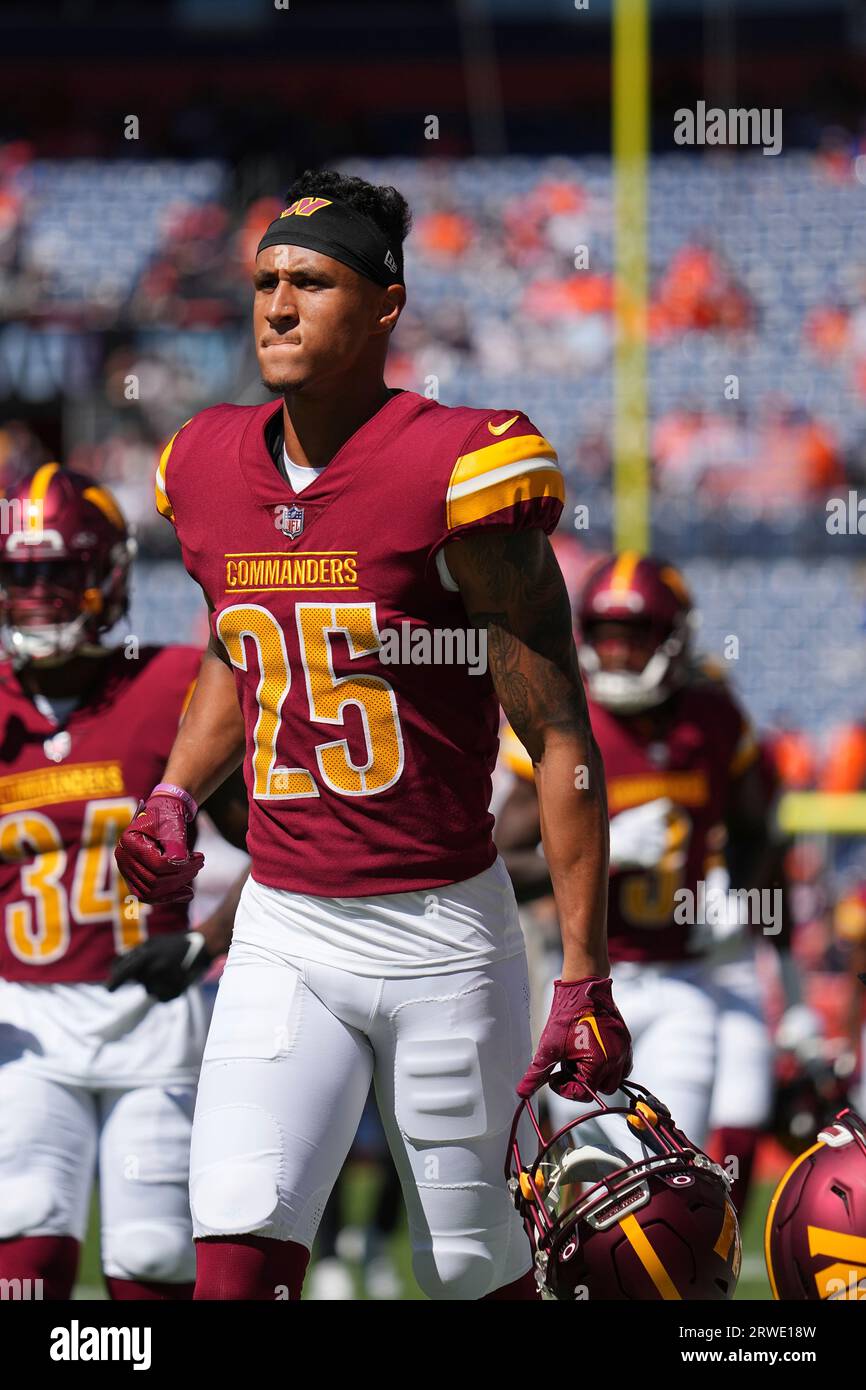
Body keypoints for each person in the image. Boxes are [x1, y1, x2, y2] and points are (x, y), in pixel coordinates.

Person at [115, 169, 631, 1303]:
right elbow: (235, 648)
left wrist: (584, 972)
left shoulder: (458, 464)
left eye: (311, 280)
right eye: (263, 282)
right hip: (285, 930)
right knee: (234, 1261)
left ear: (384, 306)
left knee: (471, 1275)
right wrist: (171, 791)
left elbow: (556, 733)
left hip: (443, 932)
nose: (276, 306)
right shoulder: (202, 462)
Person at [0, 464, 245, 1300]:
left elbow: (292, 846)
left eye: (57, 572)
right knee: (23, 1242)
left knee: (152, 1256)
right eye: (19, 574)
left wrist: (204, 944)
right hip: (22, 1023)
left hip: (157, 1018)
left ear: (105, 576)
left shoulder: (171, 683)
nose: (35, 595)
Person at [497, 552, 770, 1150]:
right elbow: (502, 866)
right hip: (585, 977)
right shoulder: (568, 716)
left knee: (672, 1170)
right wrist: (604, 854)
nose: (616, 654)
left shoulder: (714, 719)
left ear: (673, 640)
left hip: (683, 980)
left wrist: (741, 897)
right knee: (586, 1179)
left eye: (634, 638)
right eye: (604, 637)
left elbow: (758, 826)